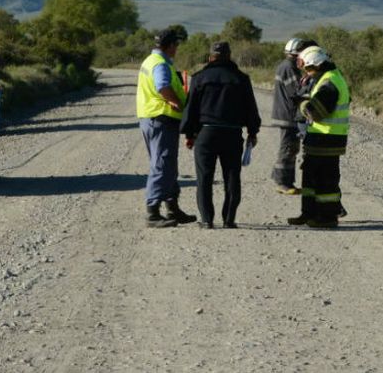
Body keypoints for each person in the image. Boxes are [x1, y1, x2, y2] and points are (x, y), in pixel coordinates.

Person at [181, 41, 261, 229]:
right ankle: (229, 219)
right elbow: (251, 108)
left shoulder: (199, 78)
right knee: (232, 177)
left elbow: (191, 108)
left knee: (204, 177)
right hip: (232, 133)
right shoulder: (241, 78)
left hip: (206, 133)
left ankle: (207, 219)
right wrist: (252, 132)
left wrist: (189, 134)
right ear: (229, 56)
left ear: (210, 57)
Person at [135, 29, 197, 228]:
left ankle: (173, 208)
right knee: (162, 165)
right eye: (176, 45)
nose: (177, 48)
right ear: (170, 45)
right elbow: (163, 86)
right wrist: (177, 102)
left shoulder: (150, 61)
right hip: (161, 118)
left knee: (167, 165)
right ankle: (152, 213)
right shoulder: (160, 64)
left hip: (151, 118)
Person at [288, 46, 350, 228]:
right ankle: (308, 213)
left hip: (327, 140)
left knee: (325, 182)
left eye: (308, 68)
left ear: (317, 65)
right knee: (310, 178)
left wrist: (302, 104)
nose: (307, 72)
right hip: (320, 139)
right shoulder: (326, 78)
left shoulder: (330, 82)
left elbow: (316, 113)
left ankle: (327, 218)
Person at [269, 38, 315, 195]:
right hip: (287, 115)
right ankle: (282, 182)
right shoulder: (289, 67)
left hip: (288, 114)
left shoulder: (287, 66)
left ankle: (284, 180)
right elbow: (297, 91)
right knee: (288, 148)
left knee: (291, 148)